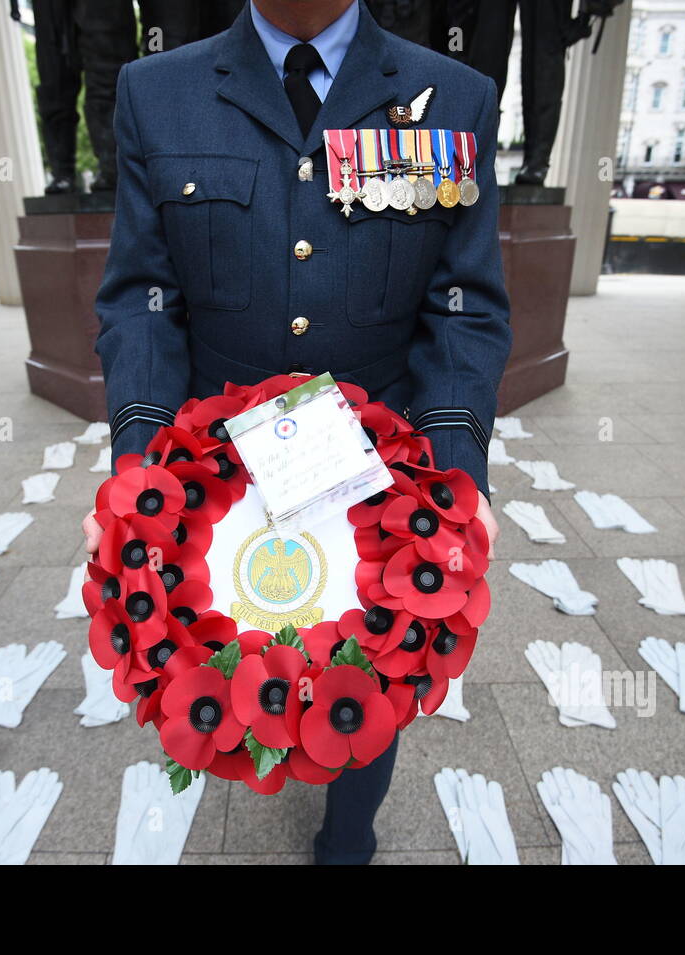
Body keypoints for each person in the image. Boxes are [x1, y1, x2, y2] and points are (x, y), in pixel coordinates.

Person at [81, 0, 510, 865]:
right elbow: (143, 299)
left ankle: (350, 832)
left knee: (375, 665)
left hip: (378, 482)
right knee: (221, 673)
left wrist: (458, 477)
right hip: (219, 476)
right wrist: (136, 479)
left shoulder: (453, 96)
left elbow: (460, 308)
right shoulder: (156, 92)